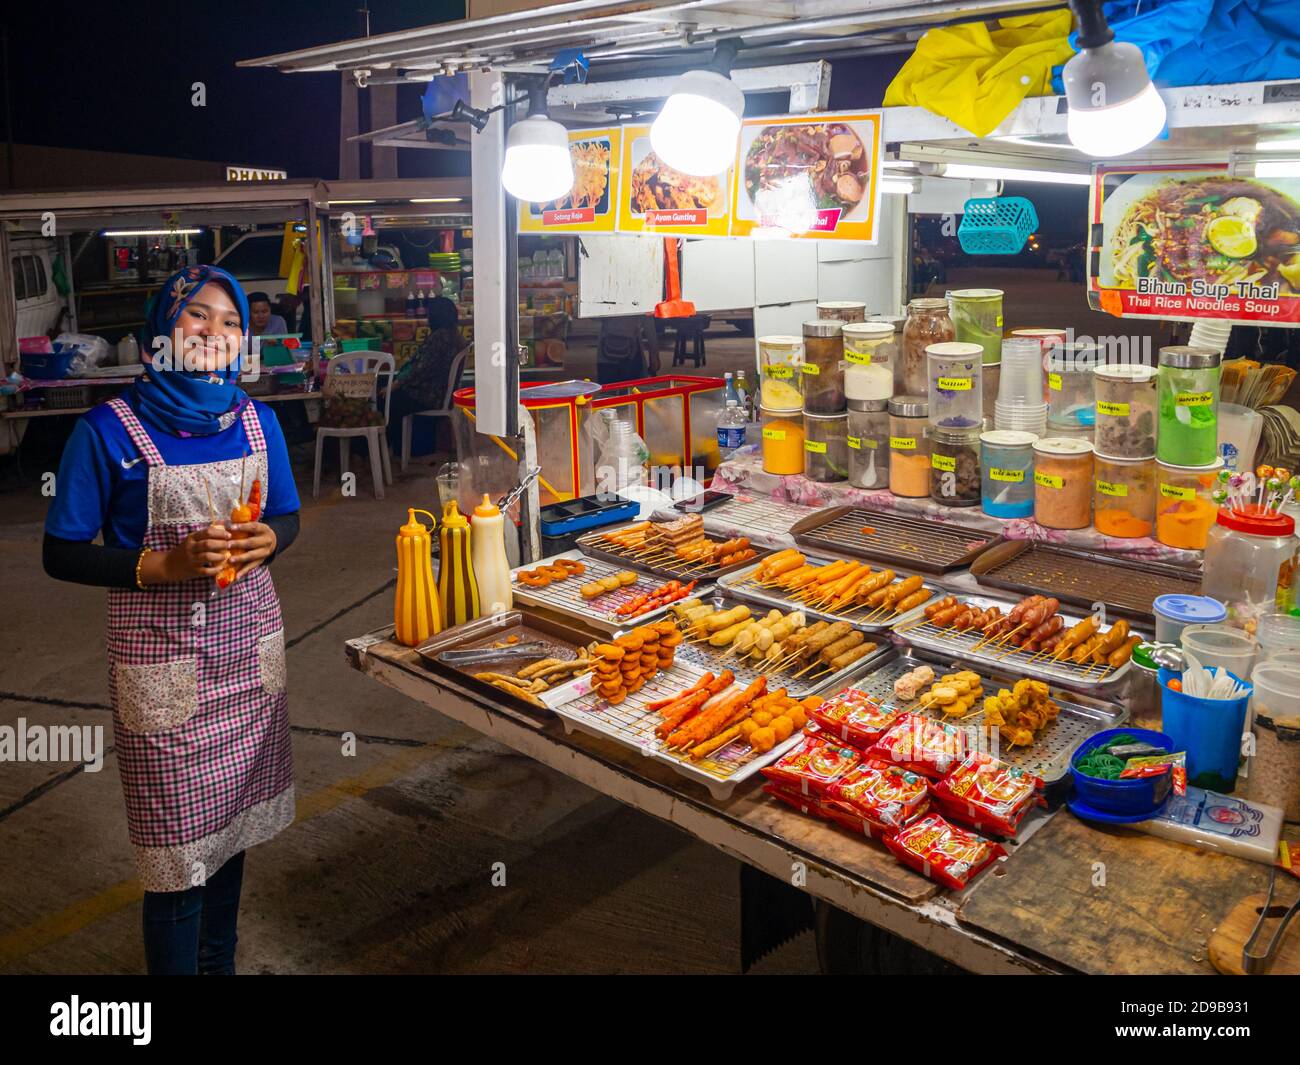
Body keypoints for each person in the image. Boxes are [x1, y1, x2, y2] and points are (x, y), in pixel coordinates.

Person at [43, 265, 301, 976]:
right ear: (164, 329)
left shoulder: (259, 420)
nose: (214, 331)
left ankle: (220, 966)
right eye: (196, 315)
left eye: (229, 319)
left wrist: (270, 539)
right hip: (163, 670)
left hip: (247, 662)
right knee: (177, 862)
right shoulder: (105, 431)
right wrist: (160, 566)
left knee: (230, 840)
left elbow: (288, 515)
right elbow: (60, 552)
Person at [384, 295, 469, 452]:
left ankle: (391, 449)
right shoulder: (454, 335)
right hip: (440, 393)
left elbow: (420, 369)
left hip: (430, 396)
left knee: (390, 400)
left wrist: (396, 384)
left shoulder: (440, 337)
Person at [596, 314, 660, 384]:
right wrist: (654, 355)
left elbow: (593, 315)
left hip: (606, 353)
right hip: (630, 353)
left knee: (607, 390)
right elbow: (649, 328)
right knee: (630, 389)